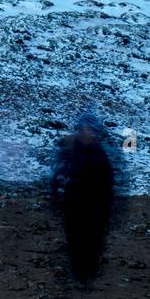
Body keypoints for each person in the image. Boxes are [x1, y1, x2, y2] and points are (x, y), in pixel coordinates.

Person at [50, 116, 117, 283]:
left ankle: (87, 273)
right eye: (83, 130)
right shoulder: (71, 150)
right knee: (75, 237)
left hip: (94, 204)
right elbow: (58, 173)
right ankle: (80, 273)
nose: (86, 133)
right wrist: (56, 196)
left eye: (89, 130)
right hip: (73, 202)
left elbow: (107, 180)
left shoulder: (99, 153)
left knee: (90, 239)